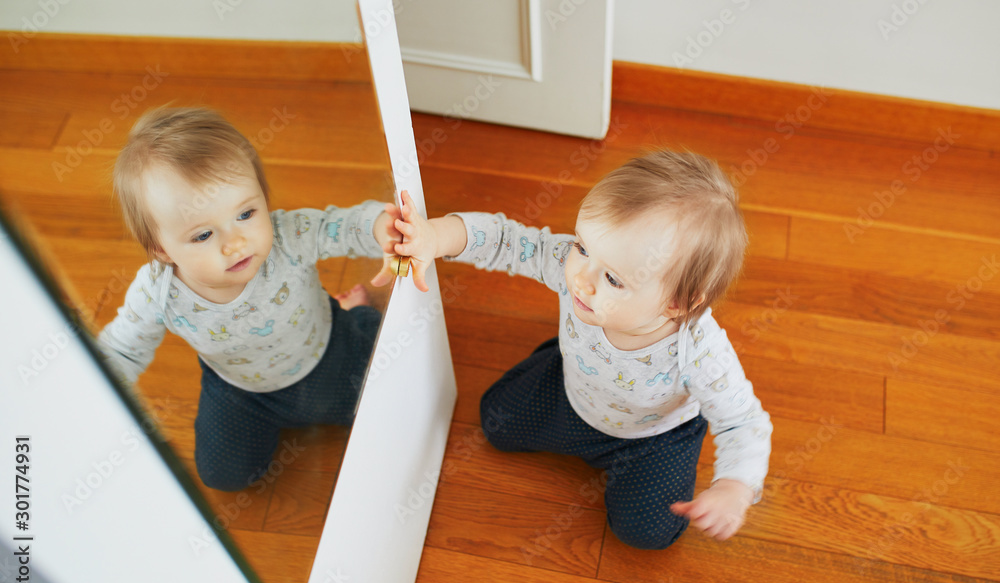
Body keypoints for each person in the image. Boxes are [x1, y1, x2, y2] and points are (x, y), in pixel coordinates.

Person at [379, 151, 772, 548]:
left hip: (651, 434)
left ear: (677, 303)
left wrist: (734, 487)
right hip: (574, 391)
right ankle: (555, 357)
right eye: (583, 247)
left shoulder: (701, 352)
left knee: (648, 534)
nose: (580, 279)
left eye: (613, 279)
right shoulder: (577, 270)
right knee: (495, 421)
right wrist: (434, 237)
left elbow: (743, 421)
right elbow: (505, 240)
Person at [98, 106, 394, 491]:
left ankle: (356, 314)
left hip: (329, 351)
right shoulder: (156, 292)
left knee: (397, 401)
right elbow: (121, 351)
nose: (235, 243)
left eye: (246, 213)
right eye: (203, 235)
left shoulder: (289, 237)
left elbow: (346, 225)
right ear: (161, 249)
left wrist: (380, 226)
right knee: (223, 476)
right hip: (241, 391)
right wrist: (92, 392)